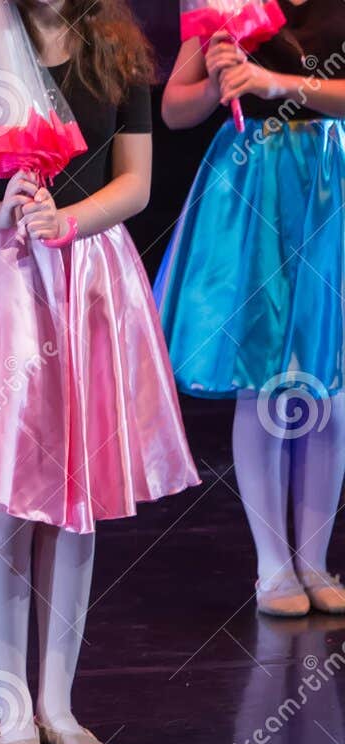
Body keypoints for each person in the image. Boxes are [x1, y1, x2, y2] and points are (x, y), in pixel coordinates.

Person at [0, 0, 199, 744]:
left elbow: (134, 184)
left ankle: (60, 702)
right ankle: (14, 707)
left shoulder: (118, 51)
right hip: (1, 280)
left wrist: (72, 221)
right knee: (6, 490)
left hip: (89, 275)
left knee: (77, 497)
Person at [156, 0, 345, 617]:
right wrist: (214, 84)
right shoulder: (225, 1)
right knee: (263, 377)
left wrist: (274, 83)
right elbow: (174, 109)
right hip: (252, 176)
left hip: (328, 178)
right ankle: (273, 566)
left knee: (330, 382)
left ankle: (315, 558)